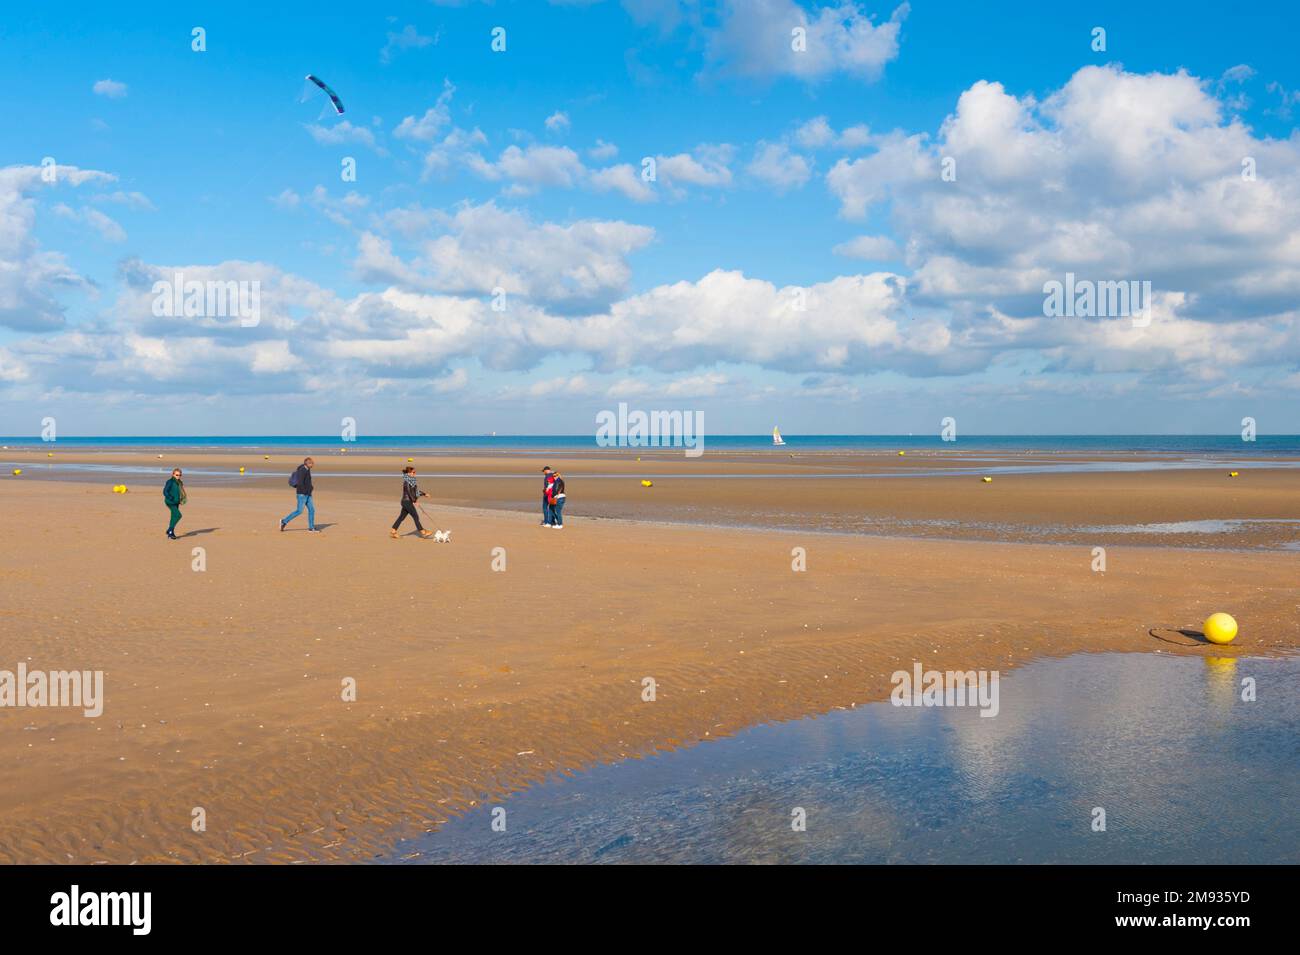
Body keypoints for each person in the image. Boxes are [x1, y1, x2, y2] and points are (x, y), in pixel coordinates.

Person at [391, 466, 434, 539]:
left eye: (415, 472)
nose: (415, 473)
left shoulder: (412, 481)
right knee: (415, 516)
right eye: (413, 472)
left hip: (406, 502)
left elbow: (415, 491)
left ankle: (393, 531)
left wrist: (424, 494)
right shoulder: (407, 482)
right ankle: (423, 531)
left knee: (401, 517)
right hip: (407, 502)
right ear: (409, 473)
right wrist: (414, 501)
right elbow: (409, 492)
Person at [281, 457, 319, 532]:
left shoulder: (307, 470)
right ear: (306, 463)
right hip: (302, 494)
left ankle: (311, 528)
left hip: (308, 494)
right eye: (310, 463)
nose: (312, 464)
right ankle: (284, 521)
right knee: (299, 511)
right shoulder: (302, 470)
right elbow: (300, 483)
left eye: (312, 463)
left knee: (312, 510)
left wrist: (310, 488)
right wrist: (305, 492)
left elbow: (307, 482)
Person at [163, 467, 187, 539]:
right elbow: (165, 491)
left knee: (173, 517)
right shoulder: (170, 481)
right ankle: (170, 530)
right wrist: (170, 497)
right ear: (173, 474)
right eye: (177, 475)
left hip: (176, 502)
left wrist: (181, 499)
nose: (178, 476)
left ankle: (170, 533)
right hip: (170, 502)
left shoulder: (180, 482)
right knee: (178, 515)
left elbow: (181, 492)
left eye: (179, 475)